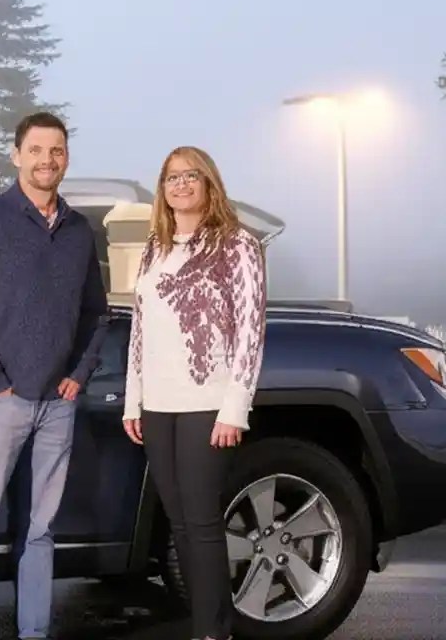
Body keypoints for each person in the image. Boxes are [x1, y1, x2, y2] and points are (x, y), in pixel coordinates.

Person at [0, 111, 110, 640]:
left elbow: (95, 312)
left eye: (56, 150)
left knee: (41, 532)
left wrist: (79, 374)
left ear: (66, 157)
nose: (47, 160)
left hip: (57, 404)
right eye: (36, 150)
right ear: (17, 155)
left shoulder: (80, 231)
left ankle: (33, 633)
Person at [120, 145, 266, 640]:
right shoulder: (154, 247)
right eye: (171, 178)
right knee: (179, 526)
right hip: (158, 407)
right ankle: (206, 623)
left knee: (202, 524)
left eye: (191, 176)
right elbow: (141, 330)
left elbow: (250, 331)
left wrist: (235, 409)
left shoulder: (236, 245)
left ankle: (213, 632)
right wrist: (132, 401)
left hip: (209, 404)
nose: (180, 185)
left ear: (209, 184)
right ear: (163, 189)